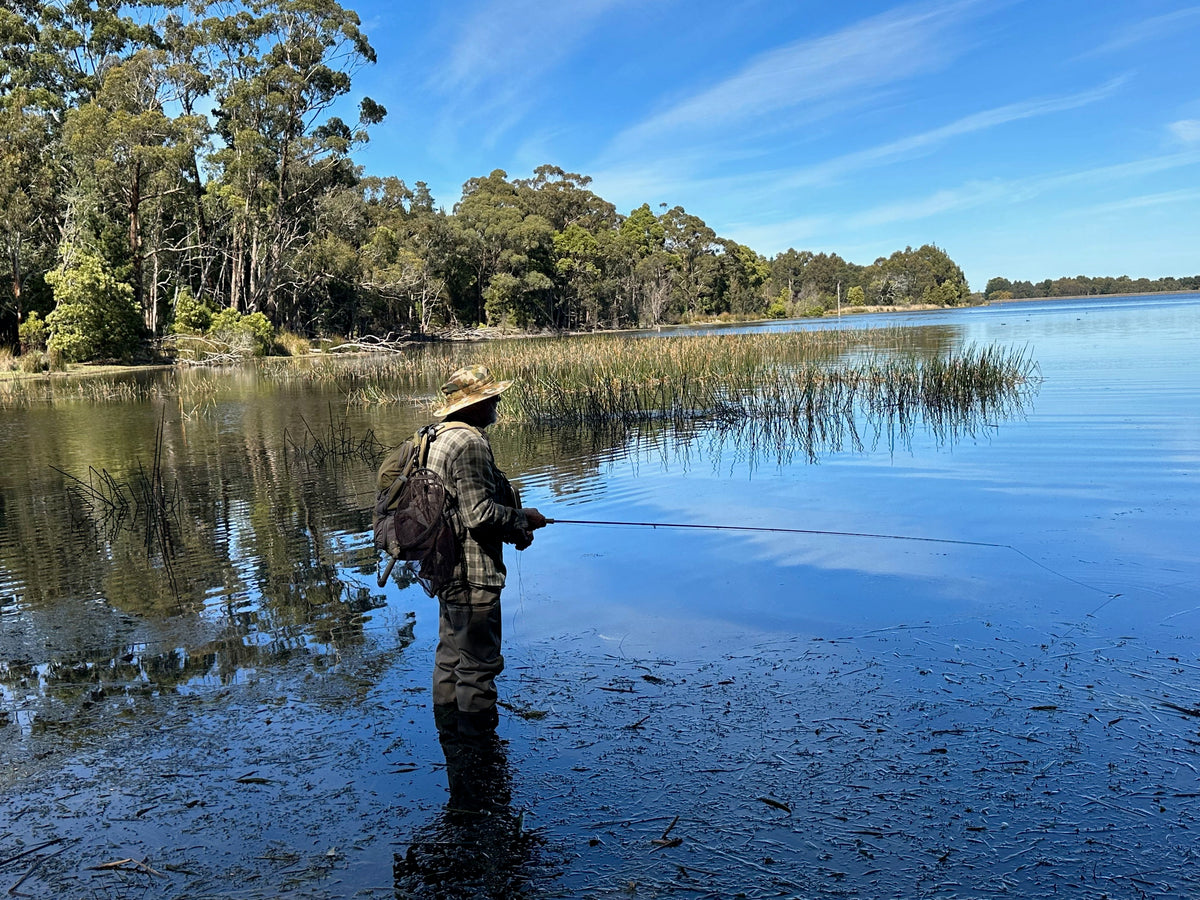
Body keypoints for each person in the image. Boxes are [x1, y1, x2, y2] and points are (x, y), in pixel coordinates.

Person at [422, 365, 548, 738]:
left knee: (449, 658)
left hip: (443, 566)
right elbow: (478, 515)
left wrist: (514, 523)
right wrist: (523, 518)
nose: (496, 400)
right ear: (473, 404)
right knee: (478, 665)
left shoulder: (437, 436)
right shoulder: (470, 443)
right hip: (472, 572)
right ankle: (479, 751)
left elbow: (461, 506)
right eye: (490, 396)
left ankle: (450, 739)